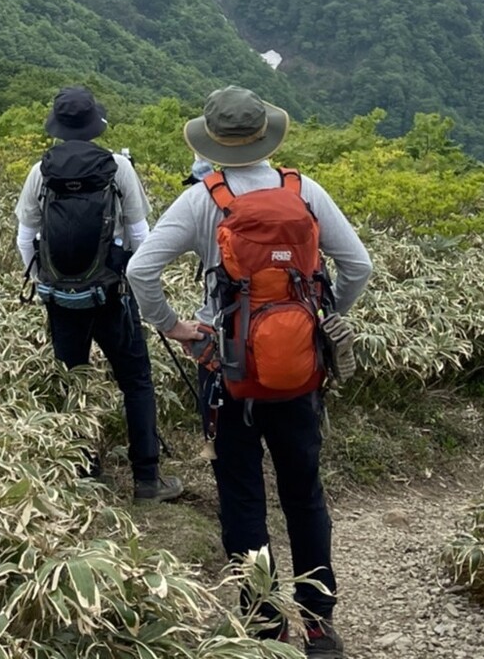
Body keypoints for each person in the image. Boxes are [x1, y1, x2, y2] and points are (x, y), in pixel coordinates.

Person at [127, 86, 374, 656]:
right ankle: (319, 623)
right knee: (304, 494)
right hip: (299, 373)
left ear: (212, 143)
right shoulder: (302, 190)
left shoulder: (202, 200)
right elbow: (358, 265)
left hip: (227, 372)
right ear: (268, 136)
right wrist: (322, 318)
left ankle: (264, 626)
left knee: (242, 498)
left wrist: (176, 327)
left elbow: (142, 271)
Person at [15, 85, 183, 502]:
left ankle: (86, 473)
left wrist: (45, 284)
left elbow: (25, 238)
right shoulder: (118, 167)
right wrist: (131, 282)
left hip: (61, 300)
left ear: (58, 126)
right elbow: (142, 235)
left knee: (73, 382)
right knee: (136, 381)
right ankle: (147, 479)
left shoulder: (41, 170)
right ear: (94, 124)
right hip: (112, 295)